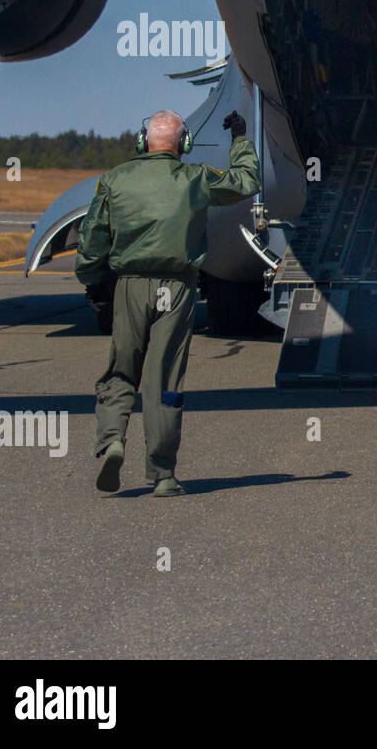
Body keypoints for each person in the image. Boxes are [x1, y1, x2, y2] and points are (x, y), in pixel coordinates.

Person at [76, 109, 261, 496]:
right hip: (176, 289)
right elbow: (247, 182)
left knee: (122, 370)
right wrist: (240, 140)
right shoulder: (195, 178)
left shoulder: (115, 180)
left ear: (143, 142)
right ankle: (162, 474)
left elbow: (92, 239)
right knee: (164, 380)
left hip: (130, 286)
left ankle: (112, 439)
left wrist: (94, 284)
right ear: (184, 145)